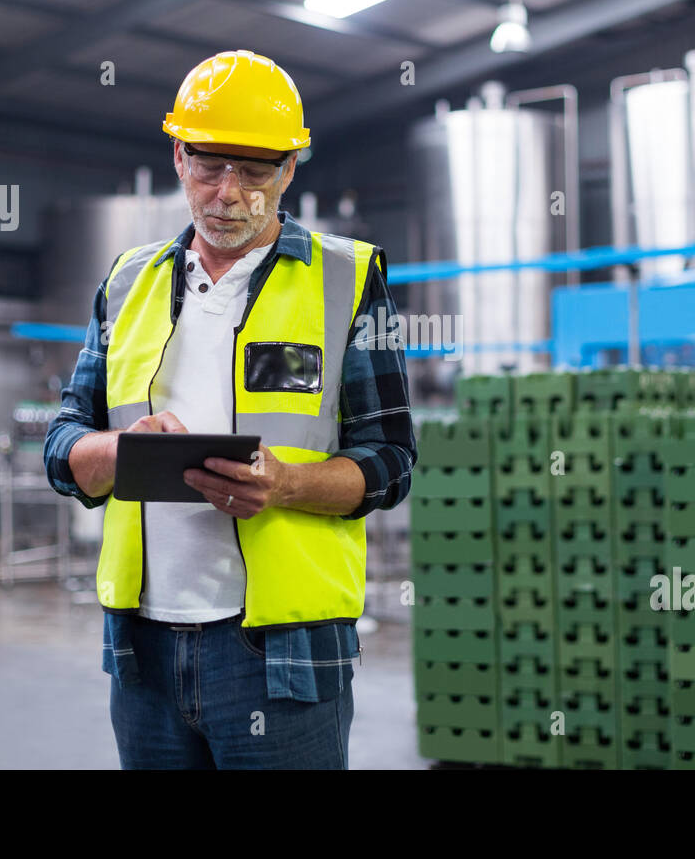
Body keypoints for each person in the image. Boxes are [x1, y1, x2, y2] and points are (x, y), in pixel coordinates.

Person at [44, 49, 416, 769]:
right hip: (143, 651)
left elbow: (392, 462)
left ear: (290, 169)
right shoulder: (126, 286)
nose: (228, 193)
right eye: (211, 166)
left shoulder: (345, 280)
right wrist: (117, 454)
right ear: (179, 156)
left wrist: (287, 484)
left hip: (283, 654)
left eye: (254, 171)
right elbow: (63, 444)